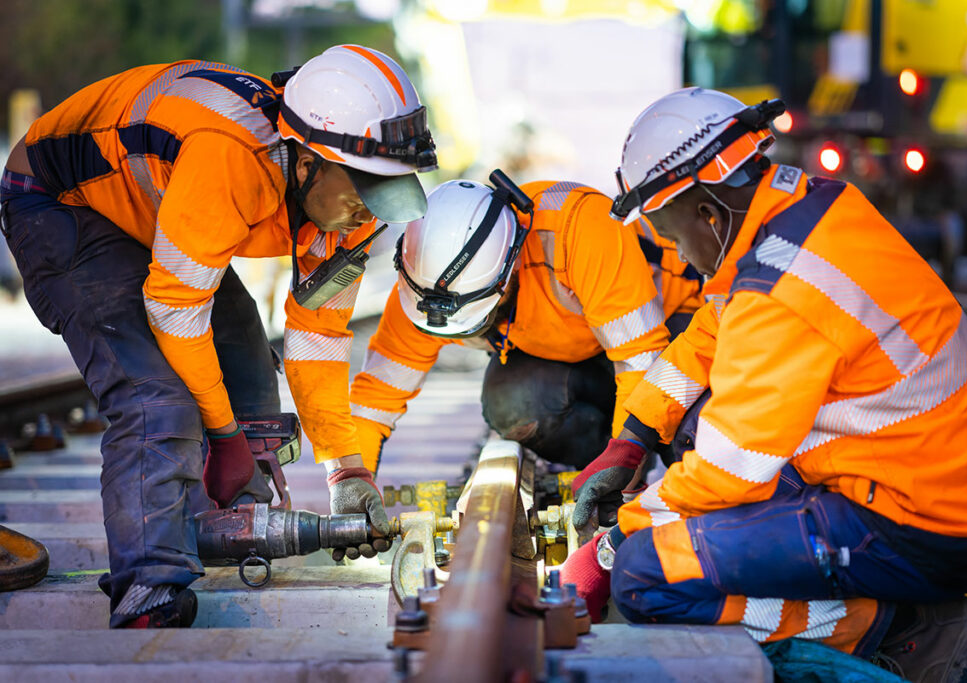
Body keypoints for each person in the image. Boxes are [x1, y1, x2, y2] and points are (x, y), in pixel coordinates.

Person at [563, 87, 967, 681]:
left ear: (706, 211)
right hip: (930, 475)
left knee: (645, 575)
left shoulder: (781, 292)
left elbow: (733, 469)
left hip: (929, 528)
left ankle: (894, 628)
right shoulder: (804, 207)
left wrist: (608, 550)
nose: (675, 250)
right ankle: (873, 601)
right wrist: (634, 439)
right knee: (695, 435)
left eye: (671, 233)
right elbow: (706, 338)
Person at [0, 45, 436, 628]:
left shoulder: (344, 207)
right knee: (154, 396)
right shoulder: (232, 157)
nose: (368, 213)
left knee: (247, 353)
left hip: (148, 205)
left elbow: (319, 339)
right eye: (362, 192)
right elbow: (175, 310)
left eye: (385, 192)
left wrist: (346, 470)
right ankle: (149, 586)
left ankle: (235, 524)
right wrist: (225, 436)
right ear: (306, 163)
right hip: (60, 202)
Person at [343, 176, 704, 513]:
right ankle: (594, 466)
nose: (469, 335)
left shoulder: (577, 229)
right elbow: (377, 395)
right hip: (577, 348)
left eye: (480, 319)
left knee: (691, 434)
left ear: (509, 272)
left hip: (669, 329)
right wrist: (350, 478)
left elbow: (641, 361)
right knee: (515, 402)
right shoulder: (427, 284)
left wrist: (626, 470)